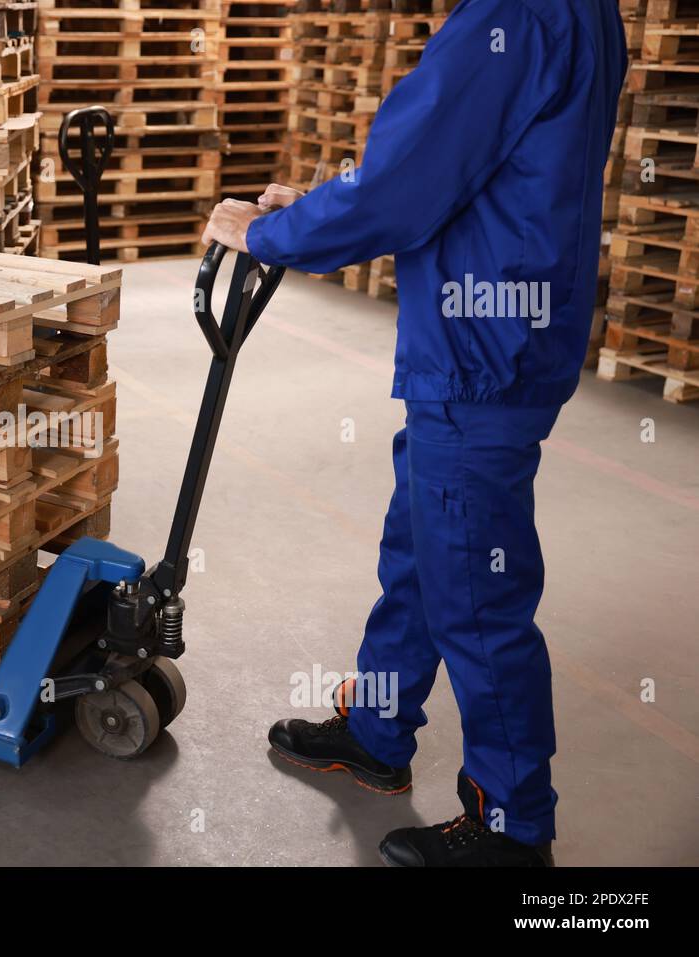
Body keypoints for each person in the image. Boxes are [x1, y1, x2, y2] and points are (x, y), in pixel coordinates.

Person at [201, 0, 628, 866]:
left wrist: (274, 231)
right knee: (425, 547)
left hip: (480, 351)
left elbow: (408, 184)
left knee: (475, 587)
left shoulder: (513, 13)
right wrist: (327, 203)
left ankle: (513, 826)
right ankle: (378, 727)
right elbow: (474, 165)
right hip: (504, 329)